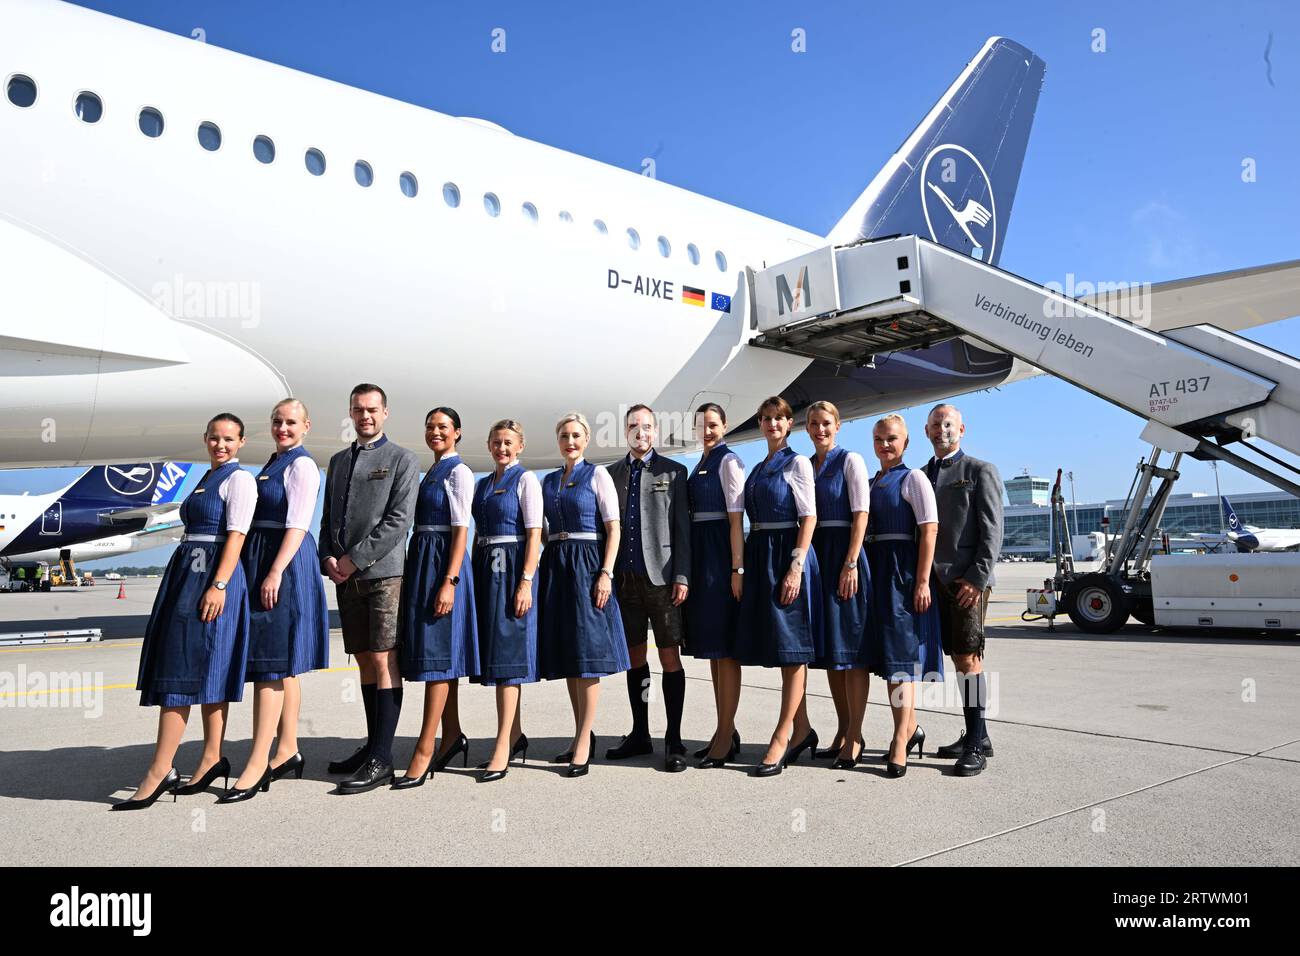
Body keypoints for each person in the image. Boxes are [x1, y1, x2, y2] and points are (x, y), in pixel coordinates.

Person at [114, 413, 255, 810]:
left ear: (241, 442)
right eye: (214, 438)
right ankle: (212, 757)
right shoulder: (206, 478)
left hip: (212, 575)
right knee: (202, 665)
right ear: (205, 439)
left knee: (185, 665)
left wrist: (219, 585)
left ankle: (160, 769)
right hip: (187, 573)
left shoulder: (239, 480)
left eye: (228, 439)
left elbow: (237, 535)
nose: (220, 444)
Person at [222, 399, 330, 803]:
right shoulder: (272, 462)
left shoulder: (301, 465)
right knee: (282, 665)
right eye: (277, 422)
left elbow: (299, 523)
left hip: (282, 560)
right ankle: (287, 749)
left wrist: (274, 571)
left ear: (306, 425)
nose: (283, 428)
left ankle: (257, 761)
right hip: (264, 557)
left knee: (269, 664)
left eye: (290, 422)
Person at [320, 383, 419, 794]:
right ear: (350, 413)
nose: (366, 416)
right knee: (363, 660)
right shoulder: (339, 461)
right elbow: (326, 517)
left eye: (373, 410)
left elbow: (398, 522)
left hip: (383, 575)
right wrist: (326, 554)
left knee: (383, 661)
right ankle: (372, 746)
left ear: (385, 412)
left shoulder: (401, 459)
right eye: (359, 410)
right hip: (345, 577)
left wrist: (354, 559)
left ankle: (383, 758)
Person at [536, 412, 629, 777]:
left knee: (587, 654)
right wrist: (553, 548)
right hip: (558, 565)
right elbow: (539, 528)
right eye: (564, 436)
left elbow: (614, 528)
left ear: (586, 439)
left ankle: (586, 740)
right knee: (571, 654)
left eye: (576, 435)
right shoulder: (548, 481)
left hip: (589, 564)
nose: (570, 441)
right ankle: (579, 735)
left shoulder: (598, 475)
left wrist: (605, 573)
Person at [733, 396, 822, 777]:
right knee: (777, 646)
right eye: (766, 418)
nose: (772, 424)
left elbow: (809, 515)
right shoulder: (757, 469)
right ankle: (803, 729)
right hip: (760, 554)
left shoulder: (797, 462)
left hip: (787, 553)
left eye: (778, 419)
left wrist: (796, 566)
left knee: (792, 649)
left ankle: (783, 734)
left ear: (789, 425)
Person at [392, 407, 480, 789]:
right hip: (424, 557)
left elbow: (461, 529)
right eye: (430, 426)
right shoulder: (432, 470)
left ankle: (424, 748)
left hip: (444, 560)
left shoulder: (459, 472)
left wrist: (450, 580)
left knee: (438, 659)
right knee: (440, 656)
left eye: (443, 427)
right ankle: (452, 735)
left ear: (457, 432)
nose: (435, 432)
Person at [604, 404, 692, 772]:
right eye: (633, 426)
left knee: (669, 658)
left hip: (663, 579)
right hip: (626, 581)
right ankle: (641, 732)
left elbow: (683, 529)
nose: (641, 432)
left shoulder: (673, 472)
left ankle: (674, 737)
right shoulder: (611, 474)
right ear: (625, 432)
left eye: (647, 427)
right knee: (636, 658)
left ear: (655, 432)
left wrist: (682, 576)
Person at [860, 413, 943, 778]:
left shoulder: (914, 479)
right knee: (885, 660)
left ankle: (899, 739)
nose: (885, 445)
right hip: (873, 571)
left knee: (900, 661)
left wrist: (922, 581)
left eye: (892, 438)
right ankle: (910, 728)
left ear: (906, 442)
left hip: (901, 573)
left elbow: (929, 530)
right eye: (879, 439)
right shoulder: (870, 481)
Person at [923, 403, 1003, 777]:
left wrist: (978, 577)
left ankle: (975, 745)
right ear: (927, 432)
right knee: (957, 658)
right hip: (934, 581)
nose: (943, 430)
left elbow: (992, 530)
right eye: (936, 424)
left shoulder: (979, 471)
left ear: (962, 429)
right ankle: (978, 733)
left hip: (966, 581)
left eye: (949, 424)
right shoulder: (922, 474)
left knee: (969, 659)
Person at [470, 419, 543, 783]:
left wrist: (526, 582)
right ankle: (514, 735)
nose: (502, 447)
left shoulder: (525, 480)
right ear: (489, 444)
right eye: (497, 441)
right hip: (486, 570)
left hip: (513, 569)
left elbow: (534, 534)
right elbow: (477, 534)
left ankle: (502, 743)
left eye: (508, 442)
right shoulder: (483, 484)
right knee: (495, 655)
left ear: (520, 446)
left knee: (510, 656)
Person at [805, 401, 873, 770]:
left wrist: (851, 562)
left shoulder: (851, 461)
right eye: (814, 424)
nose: (820, 430)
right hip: (819, 558)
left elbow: (861, 513)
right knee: (833, 653)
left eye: (826, 423)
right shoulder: (807, 465)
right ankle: (843, 728)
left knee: (851, 651)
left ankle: (857, 734)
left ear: (838, 425)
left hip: (845, 554)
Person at [686, 402, 745, 769]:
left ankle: (725, 736)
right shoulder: (702, 462)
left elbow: (737, 520)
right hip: (700, 554)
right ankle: (725, 727)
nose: (707, 430)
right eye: (702, 425)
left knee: (726, 650)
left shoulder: (729, 462)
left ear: (725, 426)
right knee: (711, 650)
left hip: (720, 553)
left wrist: (737, 569)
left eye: (713, 424)